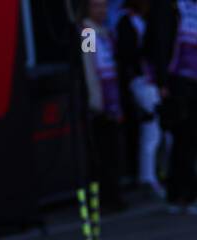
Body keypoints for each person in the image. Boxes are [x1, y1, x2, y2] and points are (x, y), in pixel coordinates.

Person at [148, 0, 197, 214]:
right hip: (178, 81)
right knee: (185, 137)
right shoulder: (170, 6)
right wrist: (163, 81)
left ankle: (178, 193)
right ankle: (190, 193)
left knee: (189, 138)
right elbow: (159, 41)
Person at [116, 0, 165, 197]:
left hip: (148, 79)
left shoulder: (147, 20)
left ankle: (153, 172)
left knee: (157, 130)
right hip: (138, 80)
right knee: (151, 129)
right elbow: (124, 55)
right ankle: (147, 176)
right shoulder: (122, 24)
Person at [79, 0, 125, 210]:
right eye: (96, 6)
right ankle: (106, 198)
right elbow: (88, 66)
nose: (102, 10)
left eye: (104, 6)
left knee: (112, 152)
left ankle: (112, 194)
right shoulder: (88, 33)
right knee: (104, 153)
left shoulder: (104, 32)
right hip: (100, 104)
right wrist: (96, 101)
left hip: (111, 100)